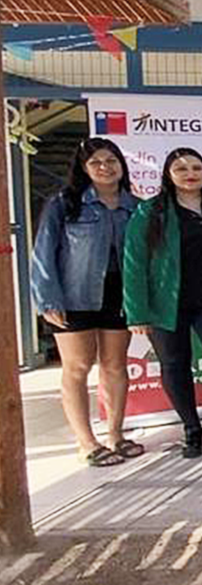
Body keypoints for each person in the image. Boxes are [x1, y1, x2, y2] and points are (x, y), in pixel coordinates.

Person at [124, 147, 202, 458]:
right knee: (174, 365)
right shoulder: (150, 211)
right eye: (181, 169)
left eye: (196, 167)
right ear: (168, 175)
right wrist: (136, 312)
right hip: (166, 302)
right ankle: (191, 428)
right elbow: (134, 263)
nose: (190, 173)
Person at [31, 138, 144, 467]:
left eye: (111, 160)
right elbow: (43, 253)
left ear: (121, 165)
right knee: (78, 367)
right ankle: (86, 442)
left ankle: (116, 434)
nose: (105, 167)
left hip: (119, 295)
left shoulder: (135, 206)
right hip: (73, 295)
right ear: (84, 168)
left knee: (115, 366)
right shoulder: (65, 204)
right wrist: (46, 297)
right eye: (96, 162)